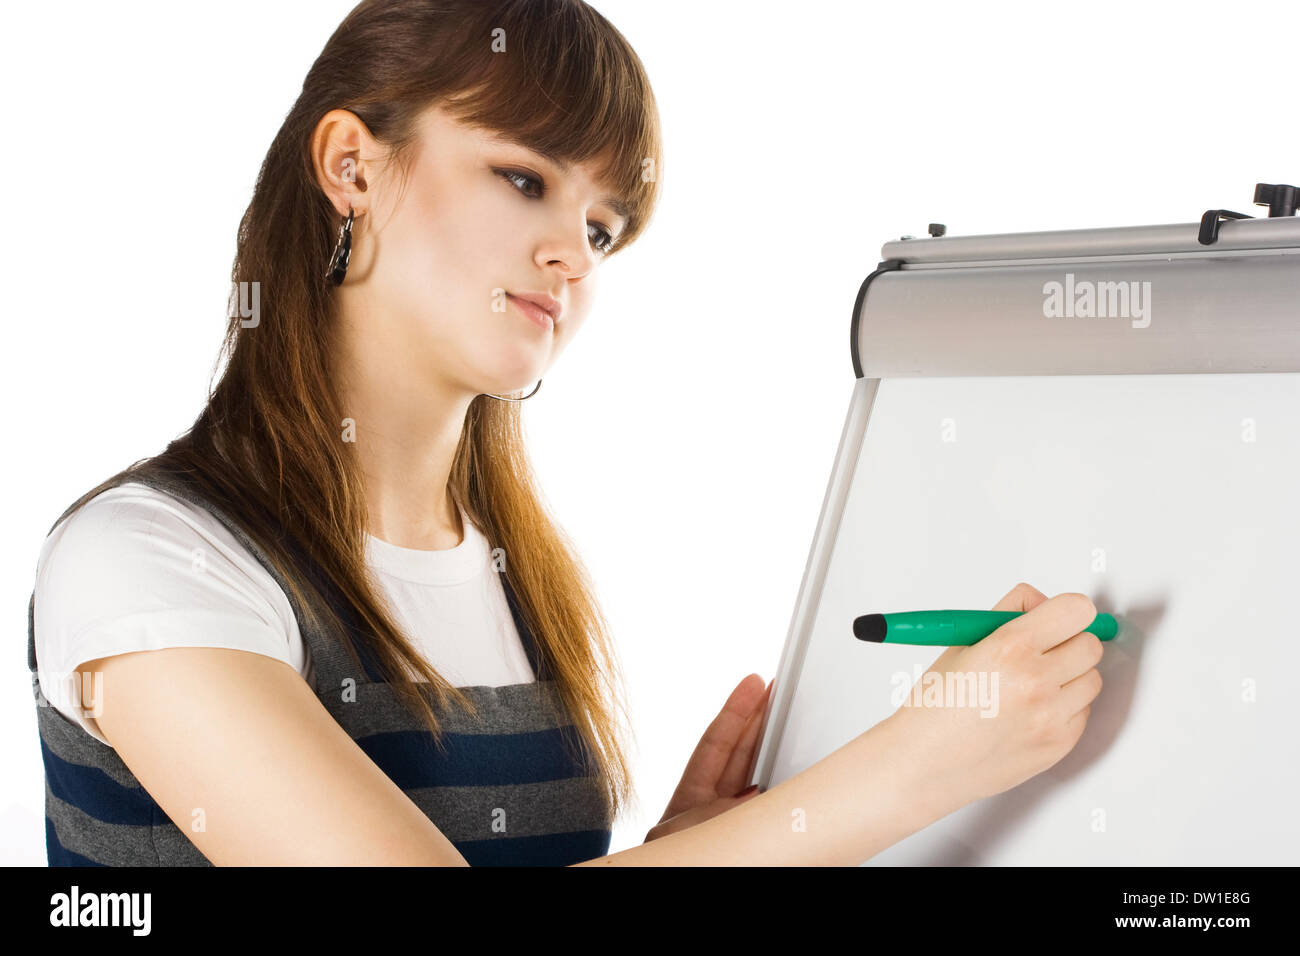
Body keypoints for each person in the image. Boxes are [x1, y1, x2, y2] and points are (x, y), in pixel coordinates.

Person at [28, 0, 1103, 866]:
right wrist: (911, 768)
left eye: (601, 225)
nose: (575, 255)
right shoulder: (146, 560)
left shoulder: (514, 571)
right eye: (525, 178)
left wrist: (686, 849)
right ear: (351, 166)